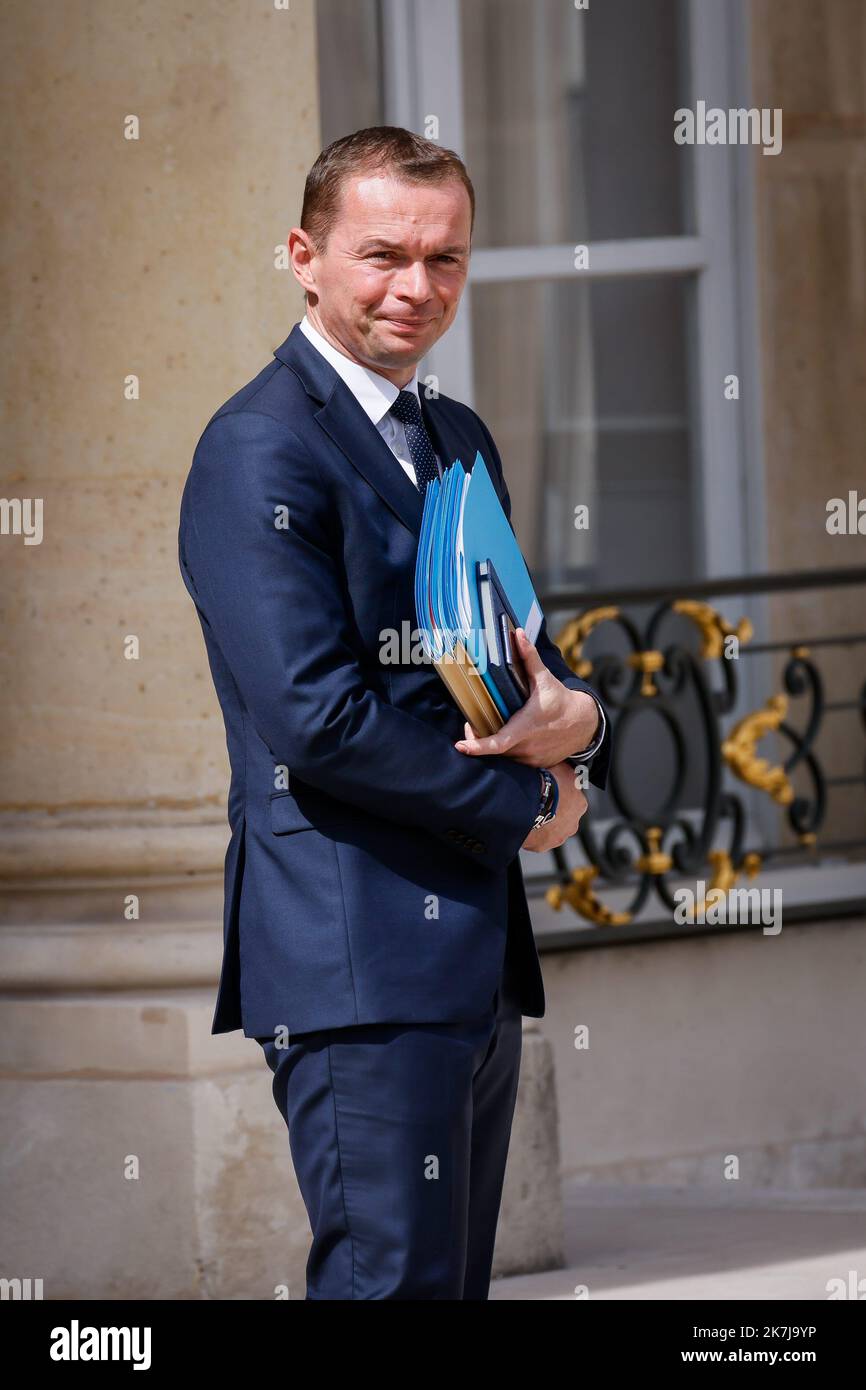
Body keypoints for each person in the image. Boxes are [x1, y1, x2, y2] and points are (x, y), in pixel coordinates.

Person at [178, 126, 611, 1300]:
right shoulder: (257, 451)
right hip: (354, 957)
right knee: (392, 1290)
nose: (415, 288)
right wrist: (524, 797)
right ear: (302, 255)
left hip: (468, 954)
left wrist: (581, 725)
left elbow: (522, 658)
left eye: (445, 259)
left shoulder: (450, 434)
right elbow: (316, 717)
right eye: (381, 255)